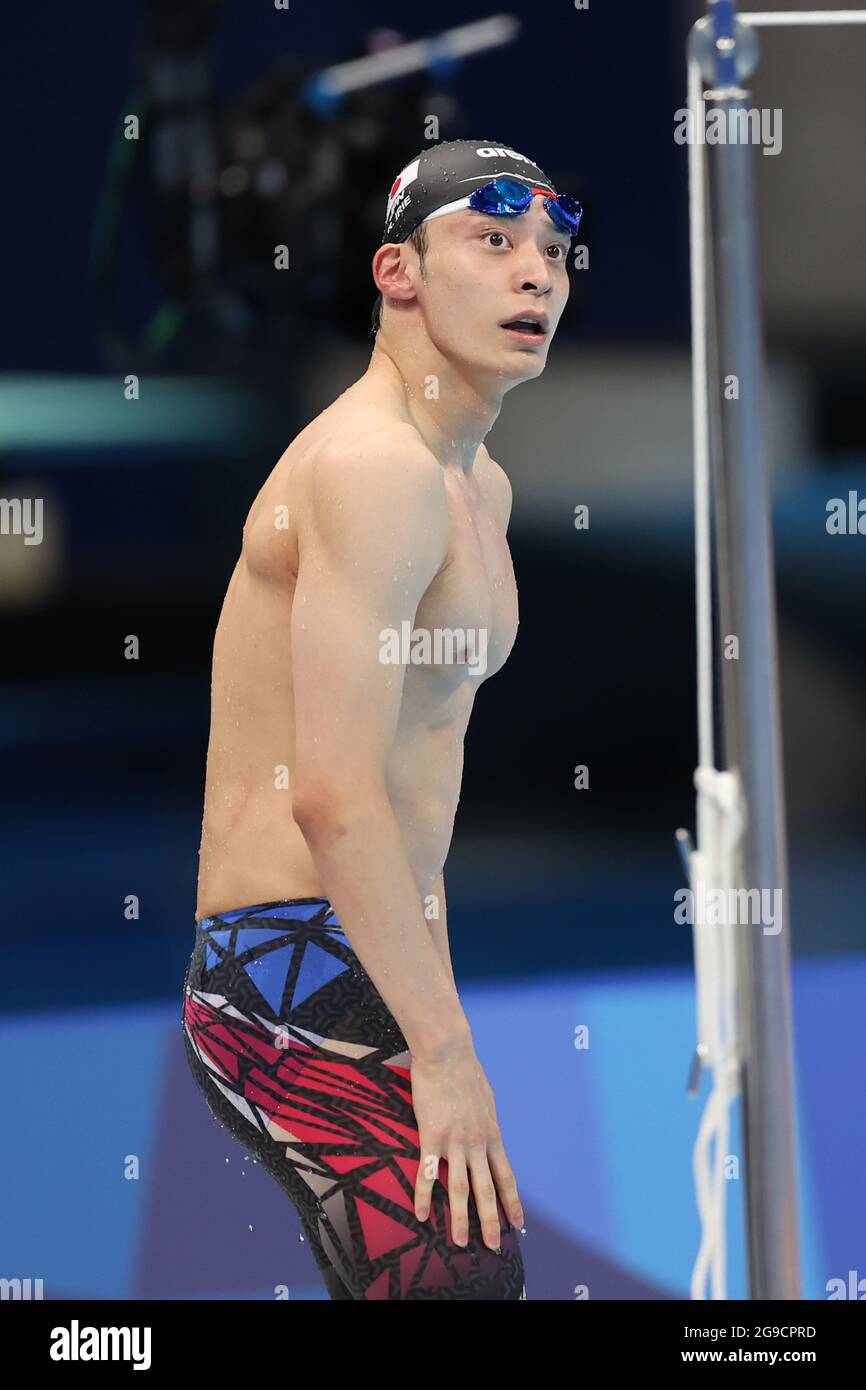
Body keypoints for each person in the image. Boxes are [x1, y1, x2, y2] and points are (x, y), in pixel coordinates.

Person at [182, 138, 582, 1300]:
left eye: (554, 254)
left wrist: (434, 1020)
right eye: (493, 242)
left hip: (368, 952)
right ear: (396, 273)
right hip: (282, 970)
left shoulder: (474, 485)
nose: (535, 277)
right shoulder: (370, 470)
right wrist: (445, 1055)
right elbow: (334, 795)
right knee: (453, 1286)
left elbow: (417, 794)